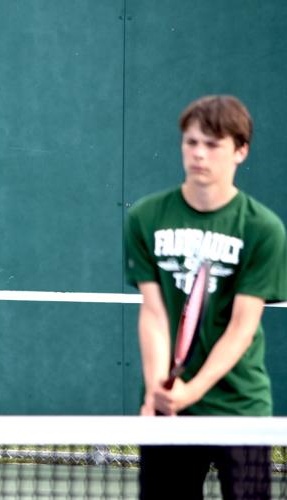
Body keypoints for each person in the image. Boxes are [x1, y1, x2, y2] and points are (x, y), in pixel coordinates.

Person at [125, 95, 287, 499]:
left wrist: (190, 392)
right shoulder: (145, 218)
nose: (199, 153)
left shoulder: (264, 229)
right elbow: (155, 313)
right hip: (170, 415)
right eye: (191, 142)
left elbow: (242, 327)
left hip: (241, 410)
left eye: (212, 145)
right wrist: (156, 393)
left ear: (240, 151)